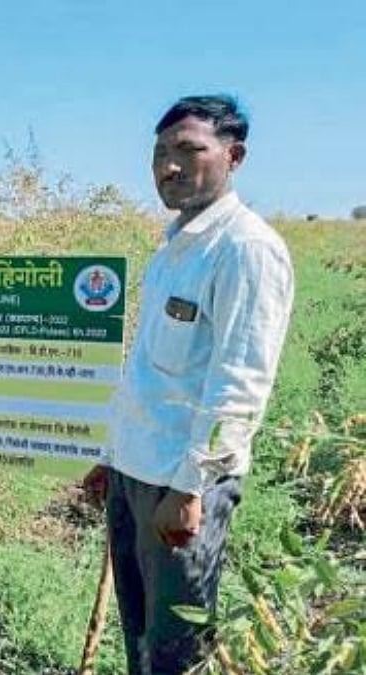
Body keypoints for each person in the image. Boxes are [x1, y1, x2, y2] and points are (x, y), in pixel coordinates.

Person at [83, 94, 294, 674]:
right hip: (136, 470)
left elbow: (241, 380)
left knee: (178, 646)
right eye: (159, 153)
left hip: (180, 483)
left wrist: (192, 488)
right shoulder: (173, 245)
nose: (168, 167)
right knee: (140, 634)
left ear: (235, 157)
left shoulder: (245, 250)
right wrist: (112, 456)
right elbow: (148, 367)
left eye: (188, 150)